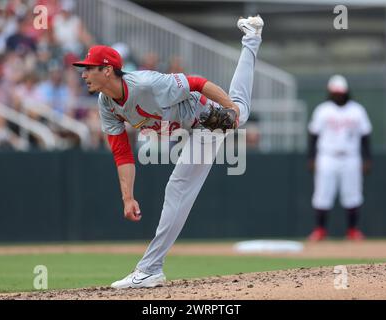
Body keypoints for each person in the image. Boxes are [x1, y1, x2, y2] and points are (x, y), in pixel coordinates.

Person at [73, 15, 264, 288]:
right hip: (185, 127)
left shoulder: (147, 84)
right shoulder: (106, 103)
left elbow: (197, 82)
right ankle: (252, 37)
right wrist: (127, 197)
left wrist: (228, 110)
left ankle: (150, 269)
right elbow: (121, 152)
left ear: (106, 70)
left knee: (178, 187)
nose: (83, 73)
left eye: (88, 68)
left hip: (206, 117)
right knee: (242, 111)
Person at [307, 75, 372, 241]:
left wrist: (367, 158)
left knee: (352, 194)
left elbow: (365, 136)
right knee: (322, 194)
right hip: (327, 156)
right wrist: (312, 158)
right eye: (335, 92)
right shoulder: (323, 110)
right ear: (330, 92)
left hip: (351, 156)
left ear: (346, 92)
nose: (338, 95)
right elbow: (313, 135)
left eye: (340, 92)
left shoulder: (357, 110)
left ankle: (352, 230)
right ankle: (320, 230)